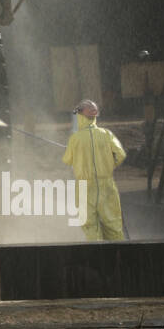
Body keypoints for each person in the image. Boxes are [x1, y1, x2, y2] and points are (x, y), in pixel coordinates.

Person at [62, 99, 126, 241]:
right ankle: (120, 257)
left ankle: (97, 257)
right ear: (95, 115)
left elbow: (67, 160)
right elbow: (120, 154)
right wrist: (108, 166)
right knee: (113, 224)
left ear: (80, 116)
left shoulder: (75, 138)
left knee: (90, 226)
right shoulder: (106, 134)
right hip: (107, 185)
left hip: (85, 186)